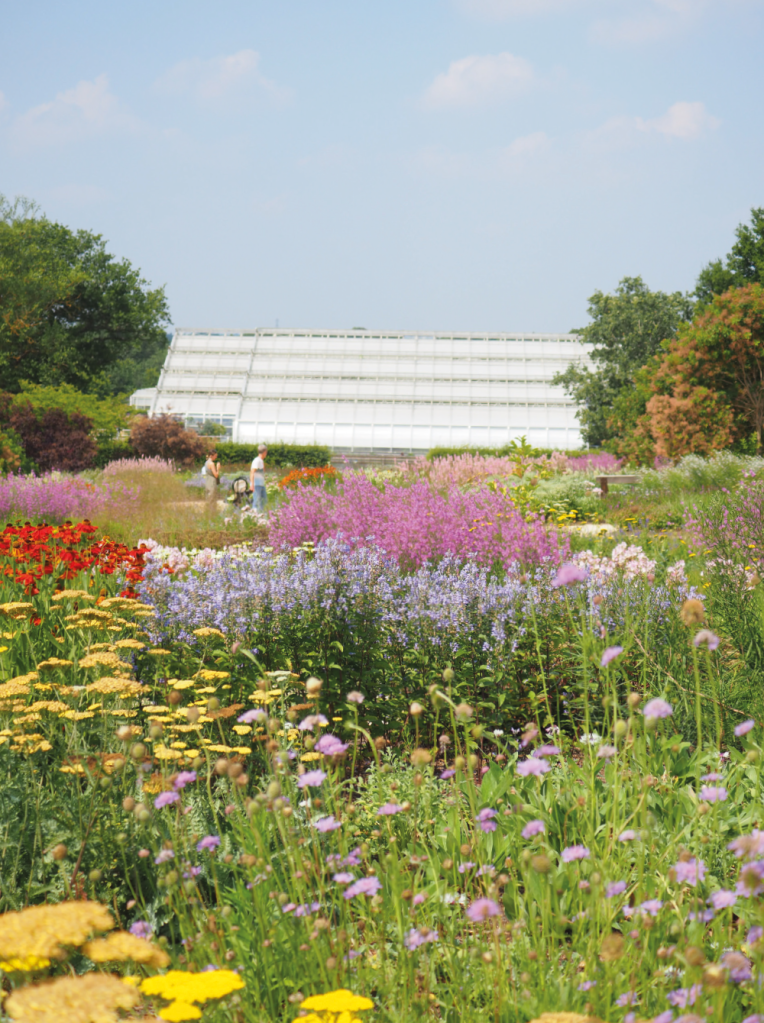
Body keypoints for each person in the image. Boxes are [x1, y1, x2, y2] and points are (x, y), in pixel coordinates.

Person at [250, 443, 268, 513]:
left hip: (261, 484)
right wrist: (252, 484)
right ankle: (255, 516)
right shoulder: (257, 460)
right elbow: (252, 472)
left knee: (263, 501)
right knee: (257, 502)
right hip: (257, 485)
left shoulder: (260, 461)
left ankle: (262, 516)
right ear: (264, 452)